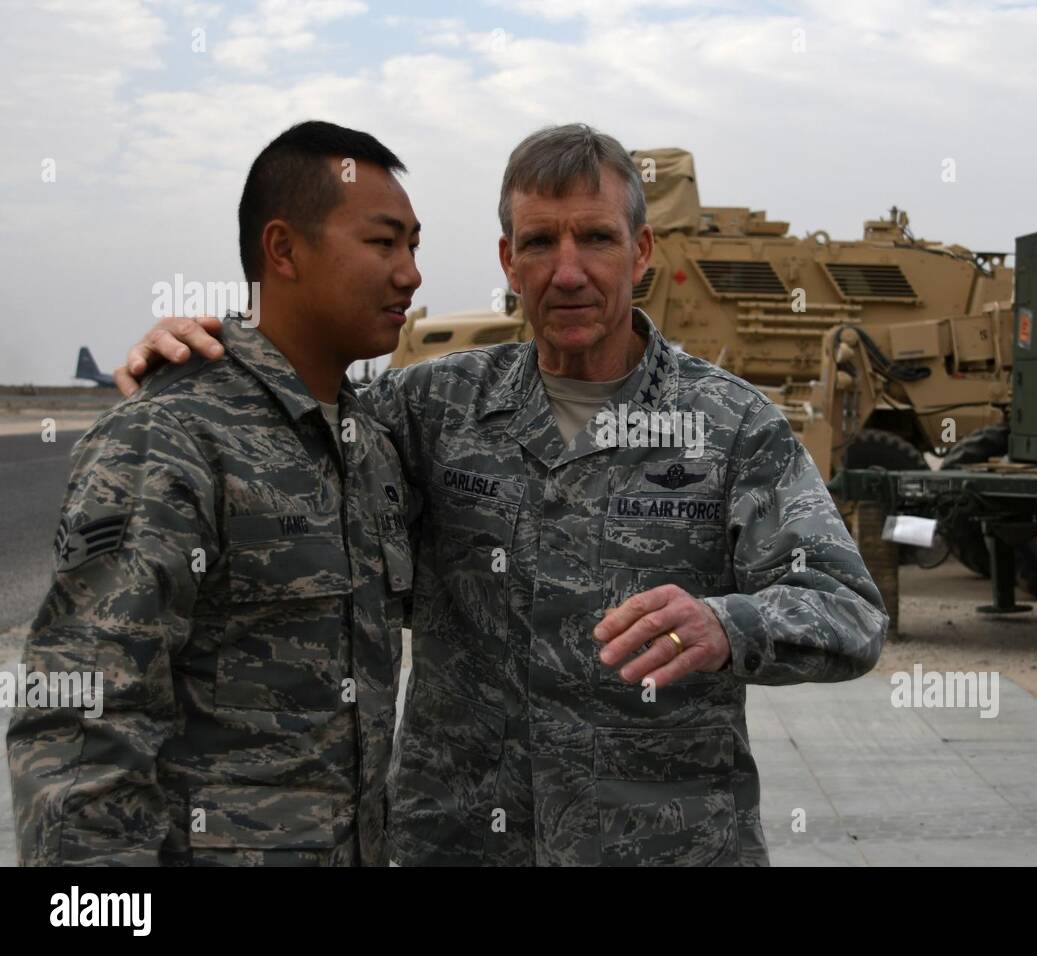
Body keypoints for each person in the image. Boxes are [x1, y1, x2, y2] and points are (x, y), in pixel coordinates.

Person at [117, 123, 888, 867]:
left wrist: (727, 622)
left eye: (596, 238)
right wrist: (209, 358)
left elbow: (849, 609)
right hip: (461, 842)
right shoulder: (428, 410)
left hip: (665, 844)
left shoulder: (729, 423)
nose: (569, 270)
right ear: (507, 260)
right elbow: (294, 424)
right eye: (540, 242)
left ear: (642, 252)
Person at [8, 120, 421, 866]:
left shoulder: (370, 446)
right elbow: (81, 725)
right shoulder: (170, 435)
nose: (411, 273)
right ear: (284, 249)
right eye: (384, 242)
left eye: (414, 246)